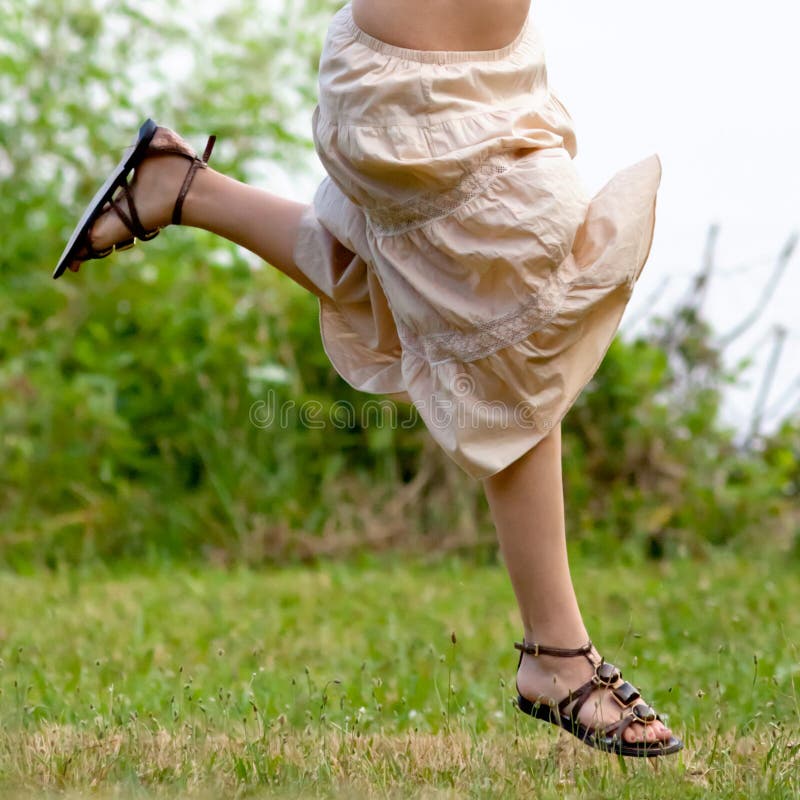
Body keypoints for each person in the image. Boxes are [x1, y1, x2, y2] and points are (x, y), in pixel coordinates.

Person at [57, 0, 682, 757]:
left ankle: (179, 187)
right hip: (413, 96)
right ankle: (557, 654)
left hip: (496, 74)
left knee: (430, 288)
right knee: (513, 318)